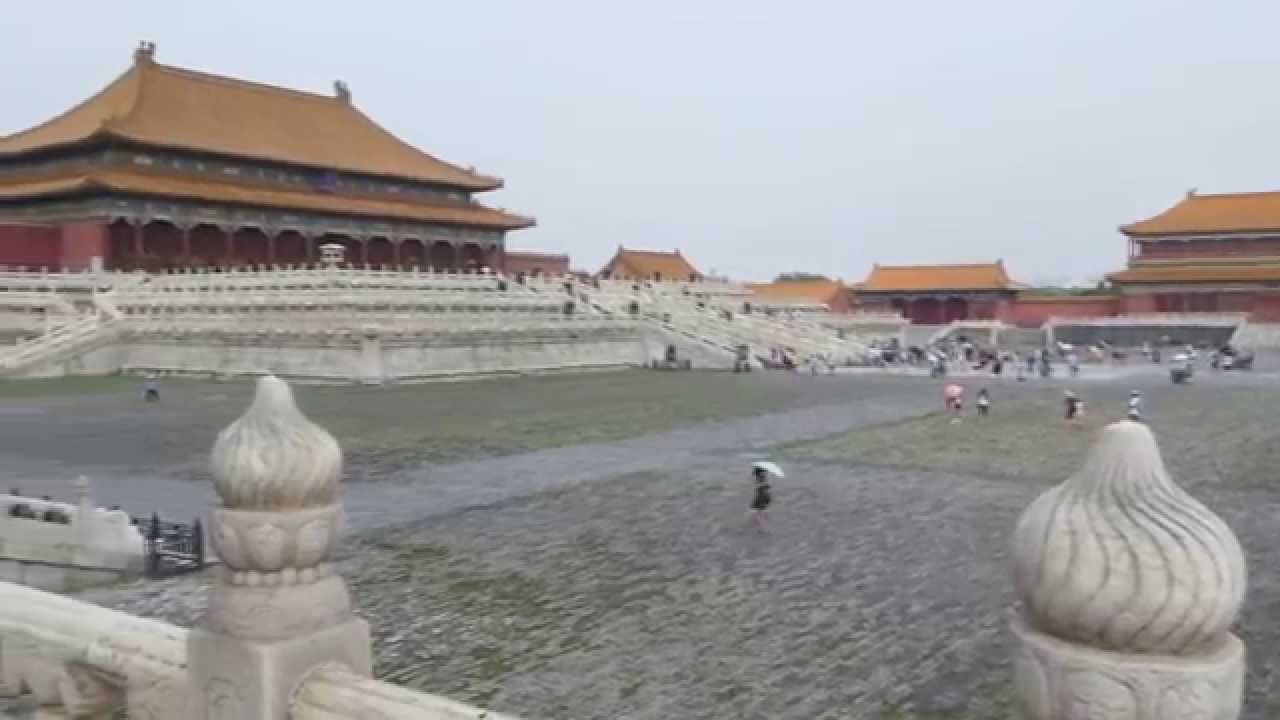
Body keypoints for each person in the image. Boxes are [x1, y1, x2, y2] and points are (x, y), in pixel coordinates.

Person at [749, 466, 773, 532]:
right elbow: (768, 487)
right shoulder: (764, 477)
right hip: (766, 496)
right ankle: (761, 524)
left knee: (756, 513)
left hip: (761, 497)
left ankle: (764, 528)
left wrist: (758, 485)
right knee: (760, 511)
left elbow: (759, 487)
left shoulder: (759, 478)